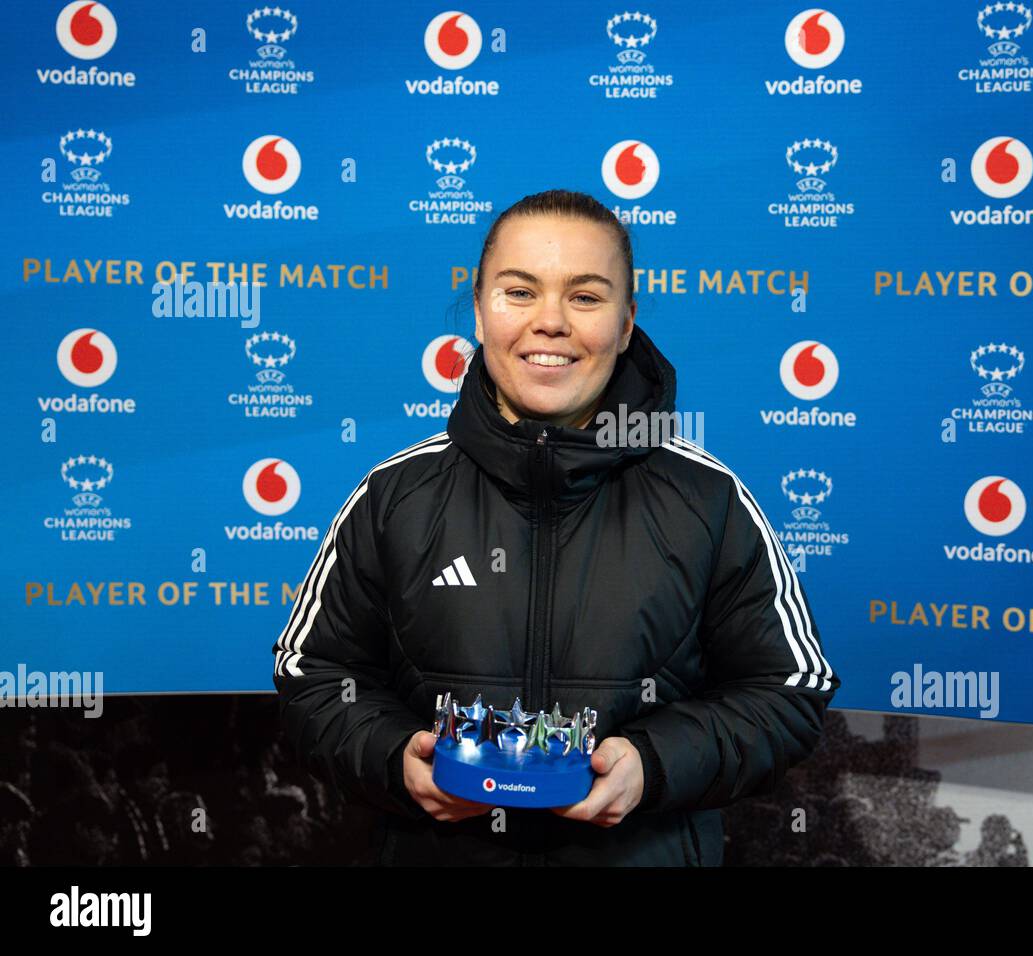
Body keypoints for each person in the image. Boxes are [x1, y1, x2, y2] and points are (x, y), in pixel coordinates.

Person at [272, 188, 838, 865]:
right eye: (520, 292)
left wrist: (651, 764)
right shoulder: (395, 497)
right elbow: (315, 677)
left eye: (586, 297)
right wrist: (397, 759)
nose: (550, 322)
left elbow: (788, 692)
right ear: (480, 312)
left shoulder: (708, 500)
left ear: (626, 325)